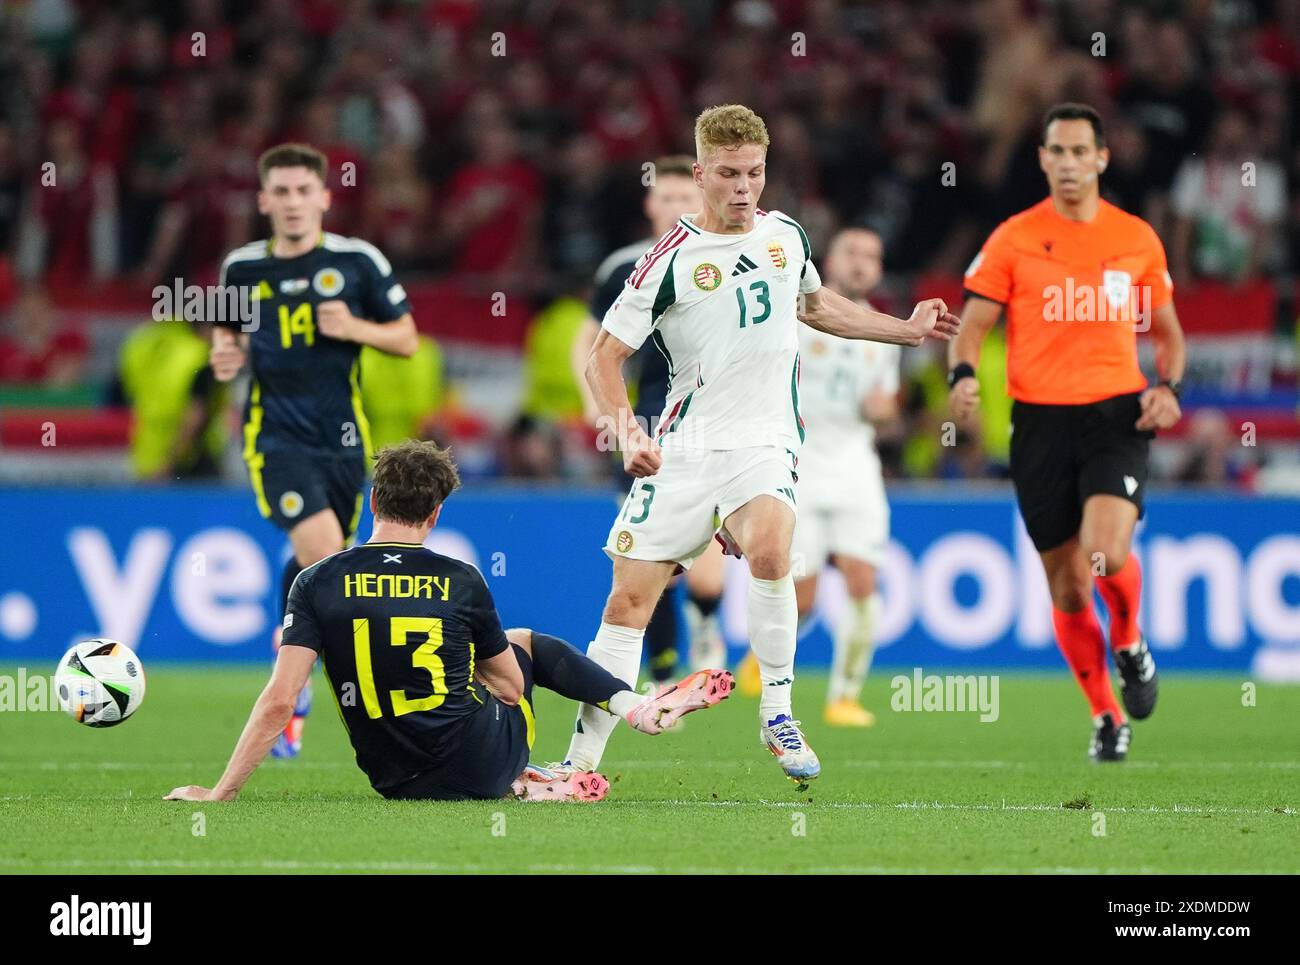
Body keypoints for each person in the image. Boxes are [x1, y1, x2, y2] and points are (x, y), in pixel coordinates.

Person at [563, 104, 959, 787]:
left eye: (755, 173)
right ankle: (577, 766)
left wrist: (903, 330)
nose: (744, 187)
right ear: (700, 173)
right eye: (729, 174)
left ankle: (777, 710)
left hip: (764, 442)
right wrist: (628, 432)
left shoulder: (786, 235)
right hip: (685, 447)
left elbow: (815, 305)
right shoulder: (669, 262)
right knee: (628, 604)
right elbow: (604, 356)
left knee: (773, 546)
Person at [163, 441, 734, 804]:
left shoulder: (314, 582)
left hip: (393, 779)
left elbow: (280, 702)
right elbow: (512, 687)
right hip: (478, 762)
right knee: (522, 644)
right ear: (435, 515)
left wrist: (221, 792)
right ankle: (625, 710)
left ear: (372, 502)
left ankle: (532, 781)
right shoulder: (461, 579)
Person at [949, 103, 1187, 762]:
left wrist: (1169, 388)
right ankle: (1107, 715)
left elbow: (1167, 333)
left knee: (1106, 551)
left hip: (1115, 414)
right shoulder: (1014, 238)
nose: (1070, 164)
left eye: (1082, 151)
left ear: (1103, 158)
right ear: (1044, 160)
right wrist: (962, 375)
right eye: (1058, 151)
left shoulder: (1136, 237)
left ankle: (1130, 640)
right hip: (1040, 424)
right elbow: (972, 325)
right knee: (1069, 587)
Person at [210, 143, 419, 758]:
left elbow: (407, 339)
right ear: (264, 200)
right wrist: (224, 356)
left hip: (344, 443)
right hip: (274, 439)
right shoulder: (242, 268)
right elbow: (226, 343)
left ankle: (288, 652)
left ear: (325, 196)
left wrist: (354, 327)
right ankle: (310, 697)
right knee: (330, 556)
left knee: (320, 565)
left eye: (305, 191)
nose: (294, 203)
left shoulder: (356, 261)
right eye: (282, 192)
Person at [571, 155, 727, 683]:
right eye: (667, 198)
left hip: (721, 422)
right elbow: (590, 346)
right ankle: (661, 673)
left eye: (687, 198)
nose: (676, 207)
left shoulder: (728, 258)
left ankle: (706, 622)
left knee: (705, 579)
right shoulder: (623, 268)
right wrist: (605, 415)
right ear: (650, 204)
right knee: (649, 557)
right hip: (652, 421)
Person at [787, 227, 900, 727]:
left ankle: (845, 697)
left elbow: (885, 405)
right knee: (802, 597)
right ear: (828, 259)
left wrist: (884, 410)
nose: (860, 263)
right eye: (851, 252)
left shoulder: (882, 331)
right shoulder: (795, 312)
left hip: (856, 467)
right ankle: (765, 662)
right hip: (801, 466)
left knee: (863, 579)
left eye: (871, 256)